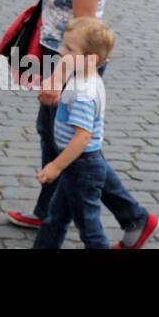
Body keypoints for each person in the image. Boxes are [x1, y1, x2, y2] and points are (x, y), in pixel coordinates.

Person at [6, 0, 159, 248]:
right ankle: (49, 210)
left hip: (71, 65)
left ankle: (134, 215)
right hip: (56, 58)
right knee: (52, 136)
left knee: (76, 146)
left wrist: (58, 80)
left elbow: (83, 37)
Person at [32, 17, 116, 249]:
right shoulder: (86, 77)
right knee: (55, 219)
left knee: (89, 229)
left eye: (69, 49)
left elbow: (83, 137)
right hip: (78, 166)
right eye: (63, 45)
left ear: (92, 59)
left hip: (82, 167)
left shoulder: (83, 92)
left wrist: (56, 166)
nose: (60, 52)